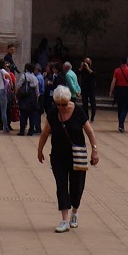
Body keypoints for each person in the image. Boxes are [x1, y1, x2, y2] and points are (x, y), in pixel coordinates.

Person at [38, 83, 99, 233]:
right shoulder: (53, 113)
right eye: (58, 104)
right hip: (58, 156)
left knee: (77, 186)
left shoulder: (78, 112)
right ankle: (64, 220)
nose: (61, 107)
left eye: (63, 104)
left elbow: (90, 132)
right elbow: (45, 133)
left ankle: (75, 212)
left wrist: (94, 151)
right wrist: (40, 150)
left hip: (77, 155)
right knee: (61, 185)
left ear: (68, 101)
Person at [110, 56, 128, 131]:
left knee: (120, 107)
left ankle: (120, 122)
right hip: (126, 90)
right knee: (125, 108)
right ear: (127, 62)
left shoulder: (117, 70)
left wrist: (111, 91)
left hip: (119, 90)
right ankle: (121, 123)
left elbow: (113, 81)